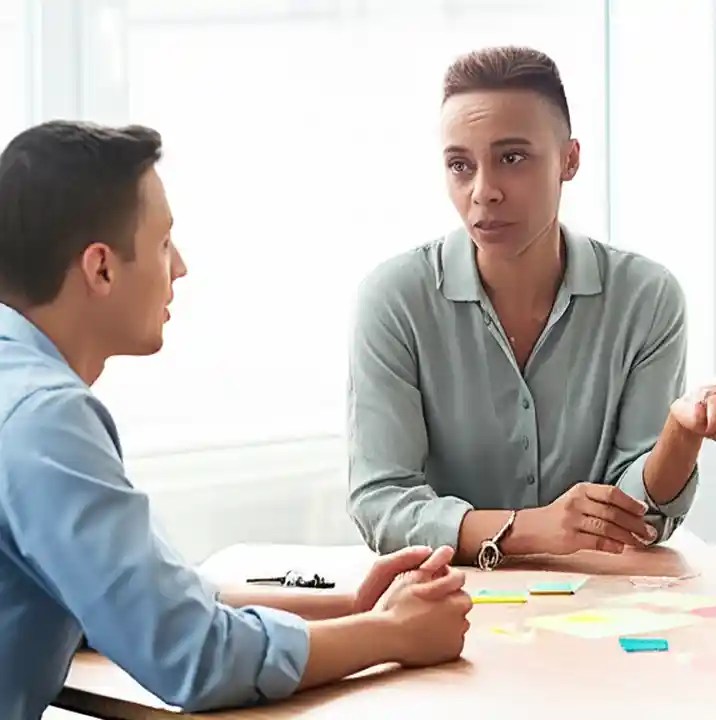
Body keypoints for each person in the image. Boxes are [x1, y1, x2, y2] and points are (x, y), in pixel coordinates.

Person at [0, 121, 472, 720]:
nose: (181, 267)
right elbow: (191, 654)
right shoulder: (45, 420)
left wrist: (354, 606)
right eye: (164, 243)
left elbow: (141, 604)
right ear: (101, 269)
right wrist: (392, 636)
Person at [347, 46, 716, 566]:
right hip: (444, 603)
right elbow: (381, 501)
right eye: (460, 165)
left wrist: (680, 435)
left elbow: (637, 522)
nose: (484, 191)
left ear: (570, 159)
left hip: (601, 604)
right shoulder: (395, 300)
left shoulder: (647, 298)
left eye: (512, 158)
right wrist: (527, 529)